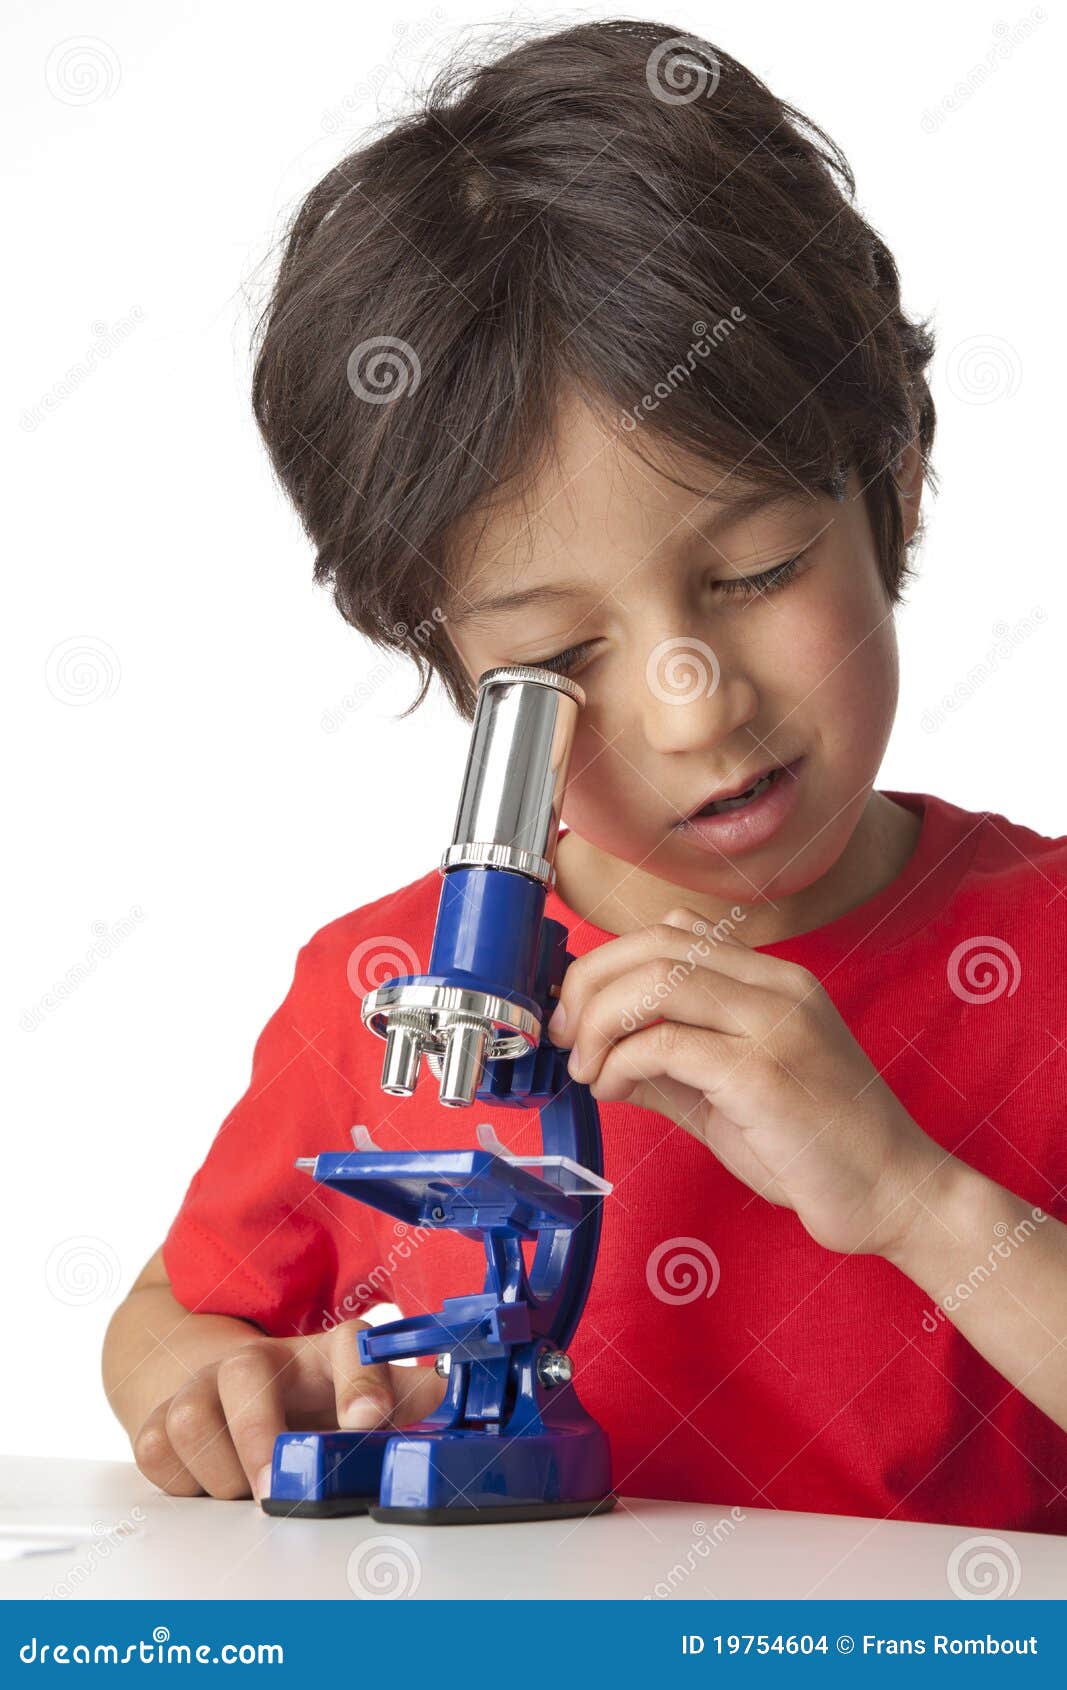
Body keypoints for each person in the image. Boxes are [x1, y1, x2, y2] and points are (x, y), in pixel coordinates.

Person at [102, 18, 1067, 1533]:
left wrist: (916, 1199)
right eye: (562, 655)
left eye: (754, 572)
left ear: (894, 480)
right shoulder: (382, 986)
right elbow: (172, 1310)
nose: (691, 705)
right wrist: (220, 1379)